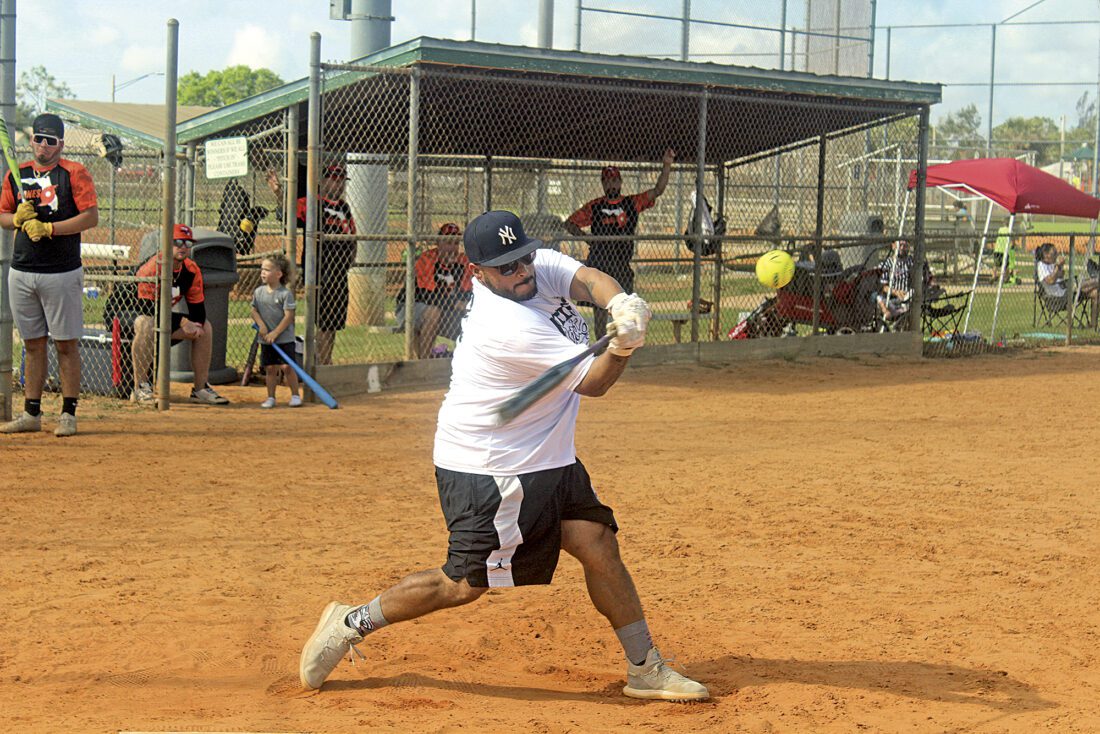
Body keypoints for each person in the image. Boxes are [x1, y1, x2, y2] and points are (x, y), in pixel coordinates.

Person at [298, 210, 709, 702]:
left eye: (524, 259)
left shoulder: (532, 267)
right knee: (462, 584)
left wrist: (620, 302)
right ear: (479, 273)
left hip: (547, 455)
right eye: (507, 268)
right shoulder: (506, 326)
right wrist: (623, 347)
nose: (522, 272)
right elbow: (595, 383)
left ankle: (645, 668)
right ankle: (351, 622)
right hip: (492, 469)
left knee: (597, 544)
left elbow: (589, 278)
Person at [1, 113, 98, 437]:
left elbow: (90, 217)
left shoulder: (73, 173)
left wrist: (50, 228)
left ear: (61, 144)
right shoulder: (19, 174)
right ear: (31, 140)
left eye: (51, 140)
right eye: (39, 139)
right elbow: (1, 214)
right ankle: (32, 413)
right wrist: (17, 218)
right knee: (32, 344)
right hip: (22, 269)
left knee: (66, 344)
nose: (44, 146)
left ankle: (68, 413)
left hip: (61, 271)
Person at [564, 148, 674, 338]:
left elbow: (658, 191)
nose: (611, 184)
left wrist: (667, 165)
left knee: (623, 308)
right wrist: (587, 238)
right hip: (599, 263)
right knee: (599, 308)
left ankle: (622, 346)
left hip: (621, 263)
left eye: (614, 180)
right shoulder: (595, 206)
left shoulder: (631, 203)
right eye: (607, 181)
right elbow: (569, 223)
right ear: (603, 184)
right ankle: (601, 348)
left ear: (621, 182)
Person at [129, 224, 230, 405]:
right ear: (167, 244)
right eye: (178, 242)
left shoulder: (191, 270)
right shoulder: (152, 268)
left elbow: (198, 311)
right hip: (126, 312)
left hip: (158, 319)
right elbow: (146, 309)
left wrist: (195, 324)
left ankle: (200, 389)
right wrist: (183, 321)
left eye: (187, 243)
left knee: (205, 327)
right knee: (147, 323)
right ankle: (141, 387)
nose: (183, 247)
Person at [267, 163, 356, 365]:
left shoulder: (344, 206)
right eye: (335, 179)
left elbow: (352, 234)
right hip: (320, 269)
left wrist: (352, 256)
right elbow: (289, 210)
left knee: (332, 323)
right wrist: (278, 191)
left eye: (342, 179)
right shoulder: (312, 202)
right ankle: (321, 363)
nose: (339, 184)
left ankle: (325, 360)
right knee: (324, 320)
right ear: (322, 180)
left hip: (340, 271)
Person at [395, 222, 473, 358]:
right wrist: (455, 303)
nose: (452, 248)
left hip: (446, 310)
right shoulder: (428, 259)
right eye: (448, 242)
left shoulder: (463, 262)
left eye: (455, 243)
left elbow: (466, 294)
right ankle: (426, 362)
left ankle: (462, 362)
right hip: (410, 307)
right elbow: (429, 295)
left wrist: (460, 304)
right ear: (438, 243)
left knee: (471, 320)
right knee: (433, 312)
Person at [251, 253, 302, 408]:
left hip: (284, 338)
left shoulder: (285, 294)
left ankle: (295, 395)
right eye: (262, 269)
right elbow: (254, 310)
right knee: (271, 368)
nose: (263, 272)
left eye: (267, 269)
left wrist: (275, 333)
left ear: (278, 274)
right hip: (266, 338)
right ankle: (271, 397)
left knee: (287, 367)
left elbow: (289, 317)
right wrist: (262, 325)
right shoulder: (258, 292)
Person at [1035, 241, 1099, 327]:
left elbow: (1061, 275)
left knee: (1095, 293)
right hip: (1057, 298)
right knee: (1079, 283)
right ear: (1046, 255)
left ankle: (1093, 325)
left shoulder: (1051, 264)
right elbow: (1050, 281)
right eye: (1054, 253)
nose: (1056, 255)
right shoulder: (1041, 266)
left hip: (1065, 289)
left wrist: (1060, 266)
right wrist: (1057, 267)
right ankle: (1096, 279)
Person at [876, 240, 939, 324]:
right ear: (893, 246)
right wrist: (896, 292)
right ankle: (898, 314)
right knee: (877, 297)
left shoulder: (914, 262)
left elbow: (929, 277)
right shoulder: (886, 264)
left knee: (914, 294)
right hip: (892, 298)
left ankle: (904, 316)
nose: (902, 248)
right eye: (900, 245)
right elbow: (882, 286)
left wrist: (932, 283)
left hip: (910, 298)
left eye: (905, 246)